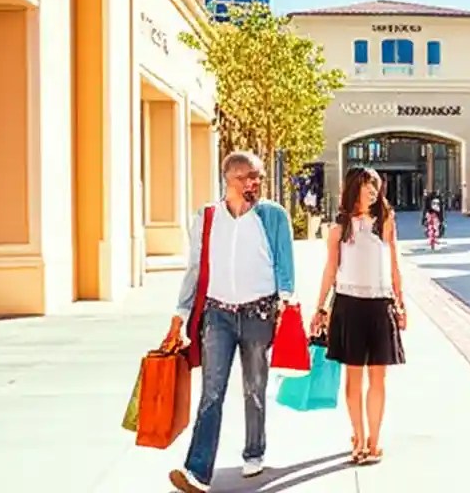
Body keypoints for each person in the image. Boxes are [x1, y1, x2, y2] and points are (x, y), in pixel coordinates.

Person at [167, 151, 296, 493]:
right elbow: (195, 269)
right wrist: (180, 315)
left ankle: (254, 451)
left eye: (259, 177)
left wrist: (286, 304)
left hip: (259, 313)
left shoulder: (273, 215)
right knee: (211, 393)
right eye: (248, 177)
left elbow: (284, 263)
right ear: (228, 178)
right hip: (217, 315)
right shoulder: (207, 217)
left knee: (254, 388)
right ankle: (197, 471)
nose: (255, 183)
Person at [311, 167, 407, 465]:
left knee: (378, 377)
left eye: (375, 186)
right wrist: (319, 307)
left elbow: (394, 264)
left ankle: (374, 441)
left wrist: (401, 302)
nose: (373, 192)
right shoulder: (339, 228)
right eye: (367, 186)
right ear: (354, 189)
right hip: (348, 305)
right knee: (354, 377)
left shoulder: (385, 222)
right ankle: (359, 438)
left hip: (381, 304)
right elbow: (330, 269)